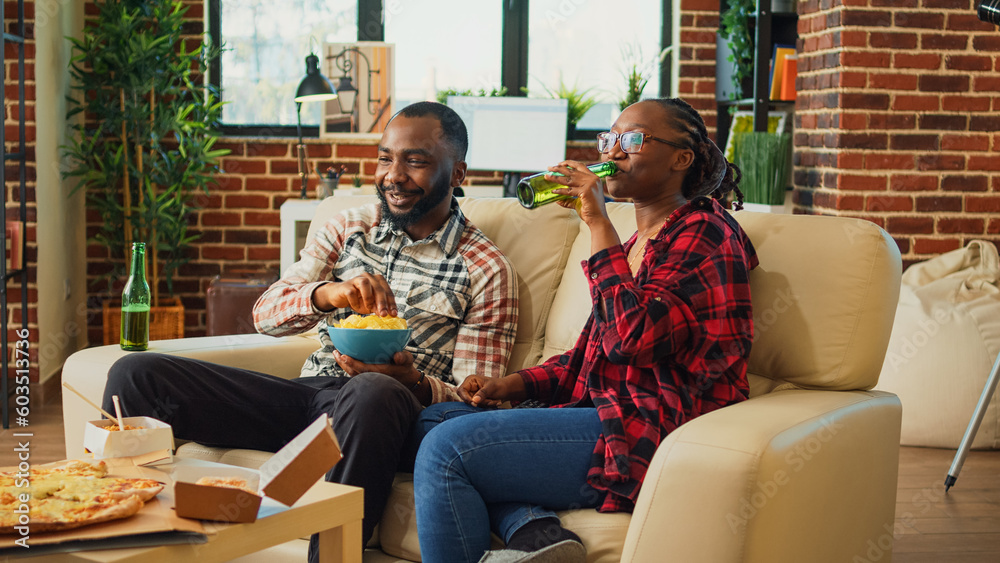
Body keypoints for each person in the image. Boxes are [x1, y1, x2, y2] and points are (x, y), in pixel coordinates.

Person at [102, 101, 519, 561]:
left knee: (372, 390)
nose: (393, 175)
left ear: (457, 173)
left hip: (394, 415)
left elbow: (477, 399)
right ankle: (119, 533)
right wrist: (330, 294)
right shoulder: (348, 227)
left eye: (415, 161)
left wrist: (414, 382)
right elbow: (265, 315)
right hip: (308, 398)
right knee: (135, 373)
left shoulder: (485, 267)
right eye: (385, 158)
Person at [412, 98, 759, 563]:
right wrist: (511, 384)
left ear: (681, 159)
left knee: (446, 449)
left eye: (631, 140)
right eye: (608, 138)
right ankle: (535, 531)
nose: (613, 152)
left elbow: (629, 340)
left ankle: (531, 528)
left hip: (650, 426)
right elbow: (587, 358)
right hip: (604, 412)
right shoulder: (636, 243)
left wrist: (596, 220)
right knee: (432, 418)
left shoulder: (706, 233)